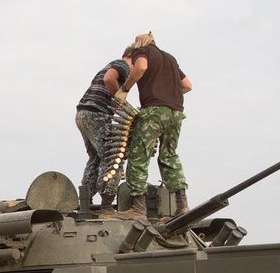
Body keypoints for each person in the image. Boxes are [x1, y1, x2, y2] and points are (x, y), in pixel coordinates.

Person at [119, 32, 193, 220]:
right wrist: (169, 92)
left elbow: (141, 67)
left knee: (139, 155)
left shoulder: (141, 51)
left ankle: (138, 208)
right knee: (169, 155)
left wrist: (125, 89)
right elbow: (187, 85)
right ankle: (182, 205)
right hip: (176, 112)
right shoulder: (170, 58)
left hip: (154, 110)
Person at [75, 47, 134, 216]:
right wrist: (120, 98)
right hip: (97, 113)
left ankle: (85, 202)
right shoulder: (123, 65)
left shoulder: (109, 64)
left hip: (83, 113)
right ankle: (106, 205)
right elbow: (110, 79)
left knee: (95, 158)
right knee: (113, 157)